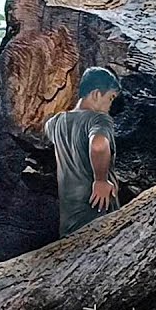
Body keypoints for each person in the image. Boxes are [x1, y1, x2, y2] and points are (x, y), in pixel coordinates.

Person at [44, 66, 123, 237]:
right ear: (96, 94)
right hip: (97, 207)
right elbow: (99, 146)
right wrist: (101, 181)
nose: (110, 106)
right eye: (110, 98)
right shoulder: (99, 119)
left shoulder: (54, 123)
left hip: (69, 213)